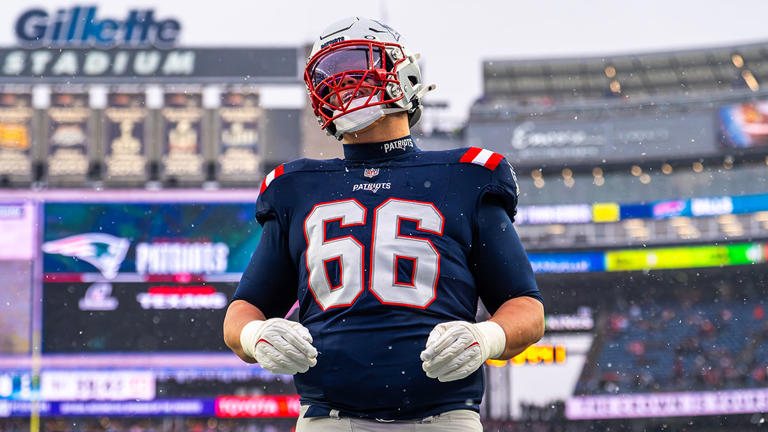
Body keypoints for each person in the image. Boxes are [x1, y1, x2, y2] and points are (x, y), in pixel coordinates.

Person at [223, 16, 544, 431]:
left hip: (444, 416)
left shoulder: (466, 176)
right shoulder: (295, 187)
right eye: (326, 75)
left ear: (403, 73)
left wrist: (487, 338)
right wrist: (255, 336)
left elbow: (527, 308)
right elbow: (240, 313)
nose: (339, 83)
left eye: (354, 63)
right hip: (329, 417)